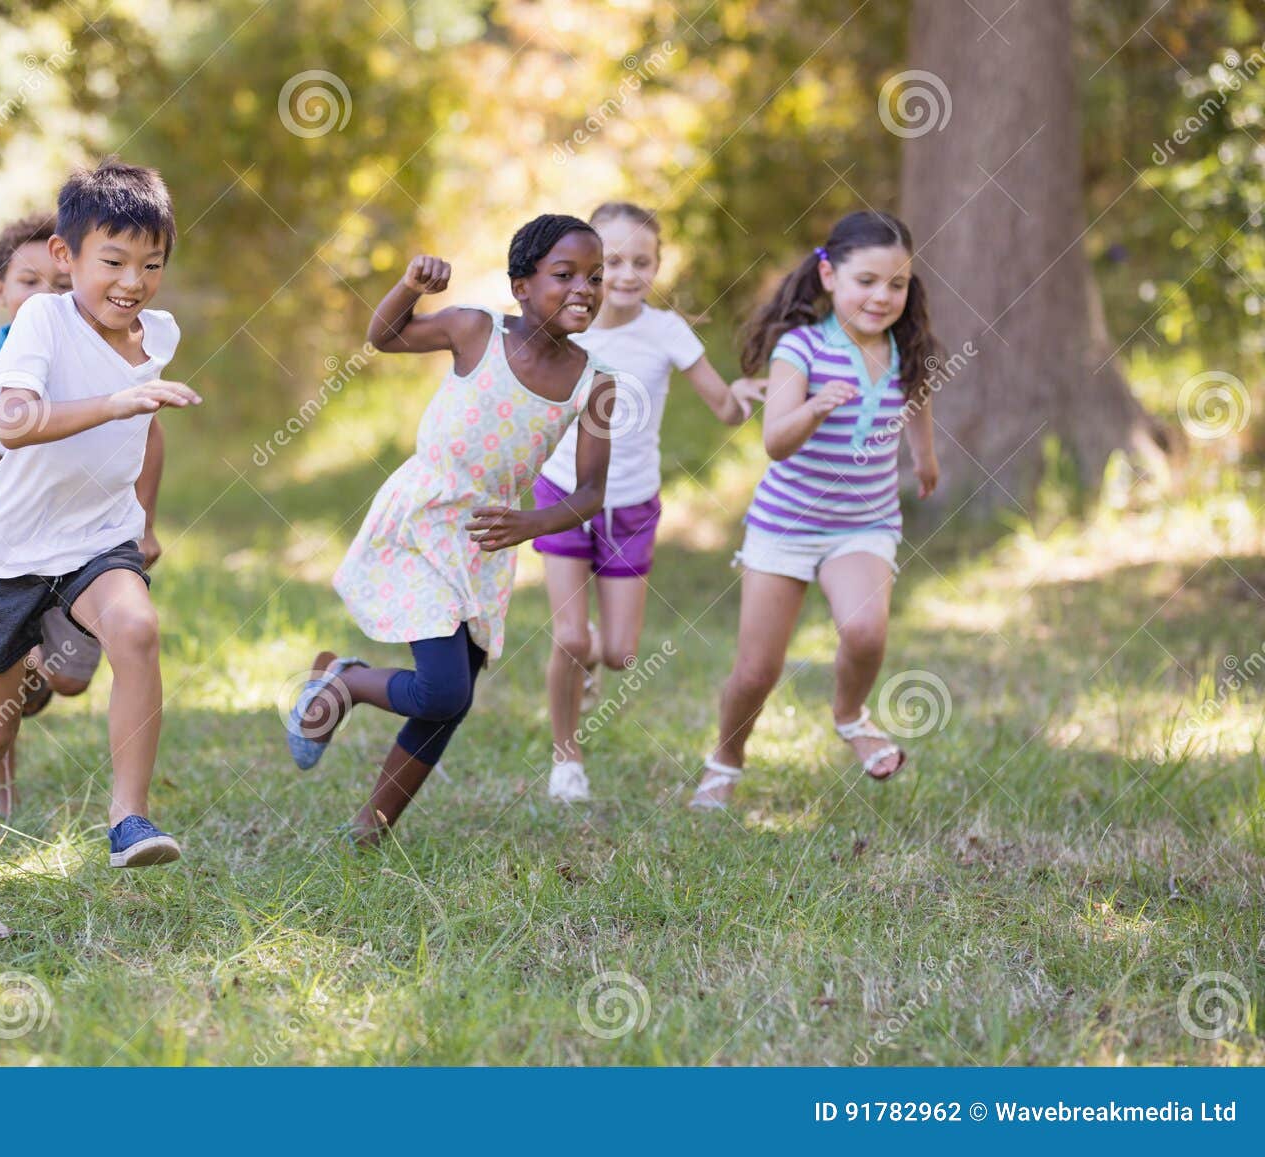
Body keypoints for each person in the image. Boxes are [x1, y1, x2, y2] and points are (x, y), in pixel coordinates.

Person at [287, 215, 618, 846]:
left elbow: (591, 493)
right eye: (565, 274)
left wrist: (532, 523)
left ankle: (372, 828)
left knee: (453, 700)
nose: (584, 288)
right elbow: (384, 336)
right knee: (441, 690)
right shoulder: (475, 329)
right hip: (423, 519)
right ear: (521, 286)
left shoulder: (596, 383)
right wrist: (410, 287)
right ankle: (347, 682)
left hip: (486, 539)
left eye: (595, 277)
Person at [0, 159, 199, 885]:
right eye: (114, 261)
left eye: (152, 264)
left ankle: (129, 819)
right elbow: (14, 423)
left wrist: (144, 522)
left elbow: (146, 433)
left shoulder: (158, 336)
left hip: (98, 540)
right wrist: (113, 404)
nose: (133, 281)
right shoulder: (43, 319)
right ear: (66, 256)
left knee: (137, 629)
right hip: (10, 553)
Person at [691, 210, 941, 811]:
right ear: (829, 276)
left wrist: (925, 458)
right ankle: (725, 760)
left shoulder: (906, 348)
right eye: (866, 281)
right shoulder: (800, 348)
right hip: (785, 527)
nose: (882, 297)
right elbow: (776, 441)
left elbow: (919, 398)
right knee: (757, 671)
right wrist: (814, 408)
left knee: (865, 631)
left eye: (897, 284)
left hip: (864, 523)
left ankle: (850, 715)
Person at [533, 202, 765, 803]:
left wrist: (745, 393)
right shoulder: (564, 323)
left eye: (643, 262)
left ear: (659, 266)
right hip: (563, 492)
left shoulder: (666, 332)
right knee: (570, 639)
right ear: (589, 264)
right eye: (612, 262)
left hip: (631, 504)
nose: (627, 274)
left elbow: (724, 407)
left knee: (620, 654)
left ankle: (587, 660)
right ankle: (566, 759)